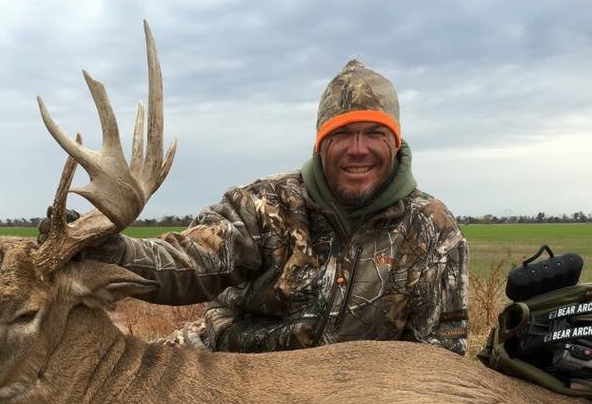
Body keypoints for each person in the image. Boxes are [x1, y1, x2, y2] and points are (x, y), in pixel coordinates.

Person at [45, 60, 469, 355]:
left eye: (373, 133)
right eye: (342, 136)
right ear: (321, 145)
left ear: (395, 142)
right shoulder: (266, 205)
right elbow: (188, 261)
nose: (358, 149)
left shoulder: (432, 230)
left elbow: (441, 353)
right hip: (230, 371)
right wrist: (114, 252)